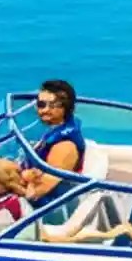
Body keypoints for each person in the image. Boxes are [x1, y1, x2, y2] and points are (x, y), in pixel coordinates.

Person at [20, 79, 86, 207]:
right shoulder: (55, 130)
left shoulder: (65, 147)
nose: (44, 110)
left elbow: (38, 192)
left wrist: (8, 183)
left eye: (52, 105)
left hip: (46, 209)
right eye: (41, 104)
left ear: (66, 107)